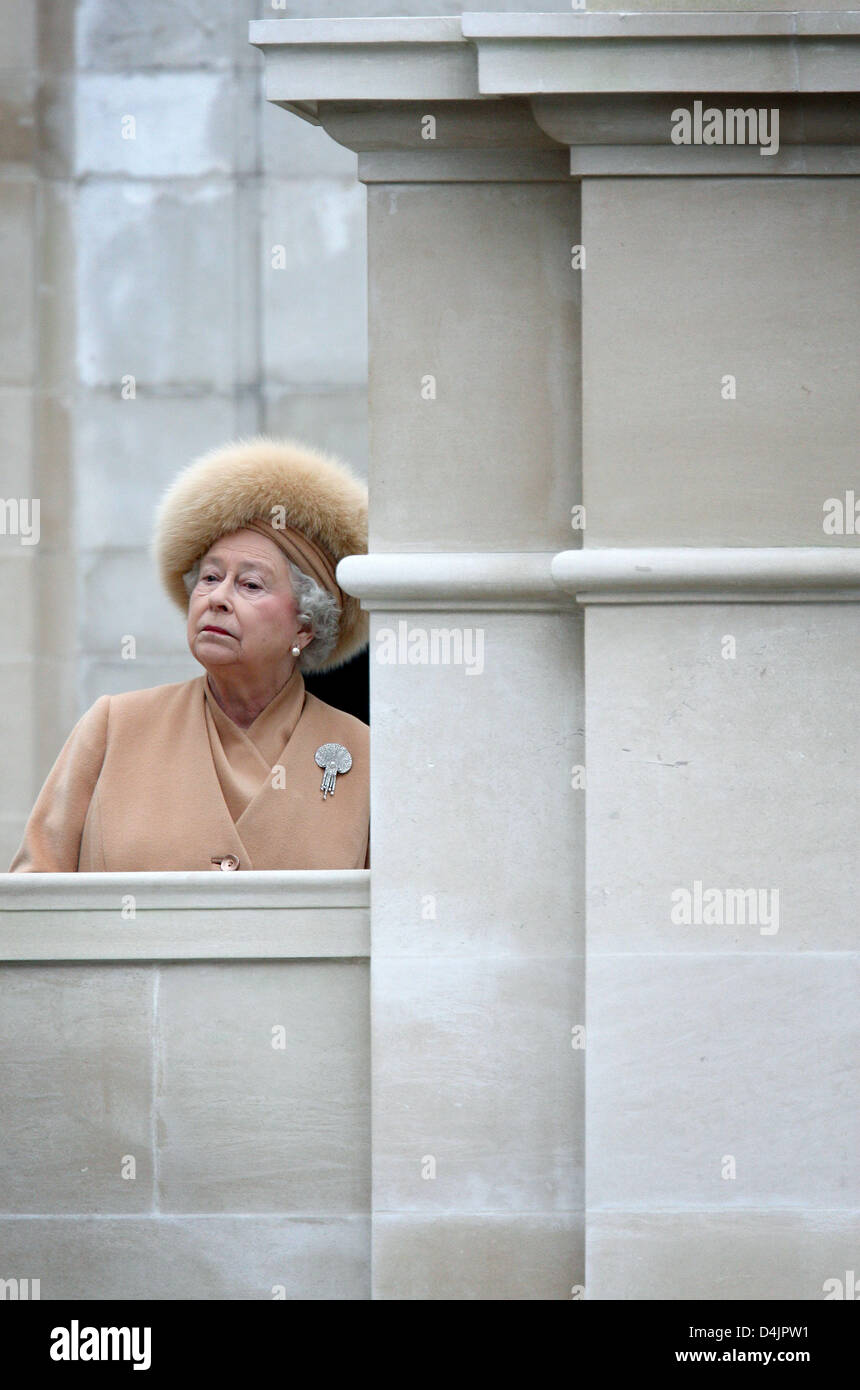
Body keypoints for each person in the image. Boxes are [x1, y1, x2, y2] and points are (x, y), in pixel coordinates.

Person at [9, 436, 370, 872]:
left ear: (306, 626)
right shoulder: (113, 729)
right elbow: (35, 902)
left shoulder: (366, 754)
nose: (217, 597)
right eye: (210, 576)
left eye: (250, 584)